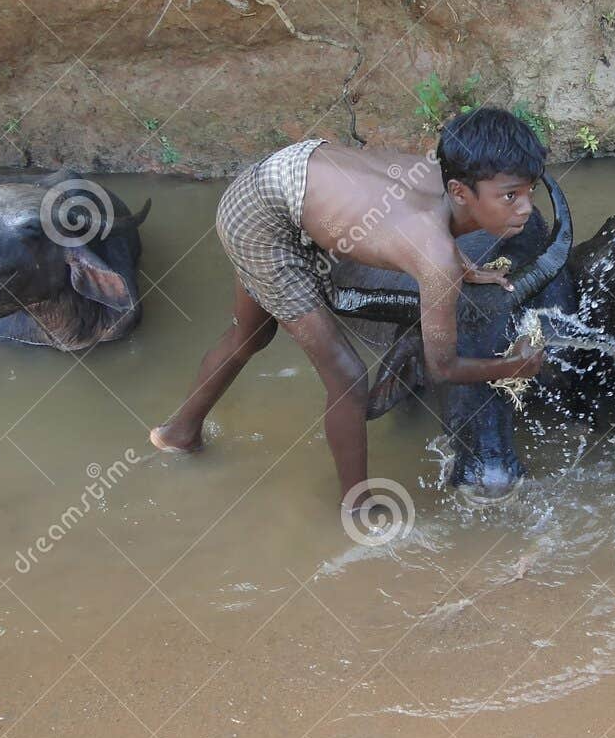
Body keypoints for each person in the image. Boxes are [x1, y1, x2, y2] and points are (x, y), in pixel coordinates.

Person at [150, 107, 547, 513]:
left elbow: (430, 222)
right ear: (462, 192)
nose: (526, 208)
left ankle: (179, 433)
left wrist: (467, 268)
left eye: (530, 191)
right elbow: (442, 367)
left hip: (286, 178)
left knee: (251, 336)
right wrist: (511, 367)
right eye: (510, 196)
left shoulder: (448, 172)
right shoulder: (434, 254)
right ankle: (357, 507)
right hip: (261, 217)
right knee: (350, 377)